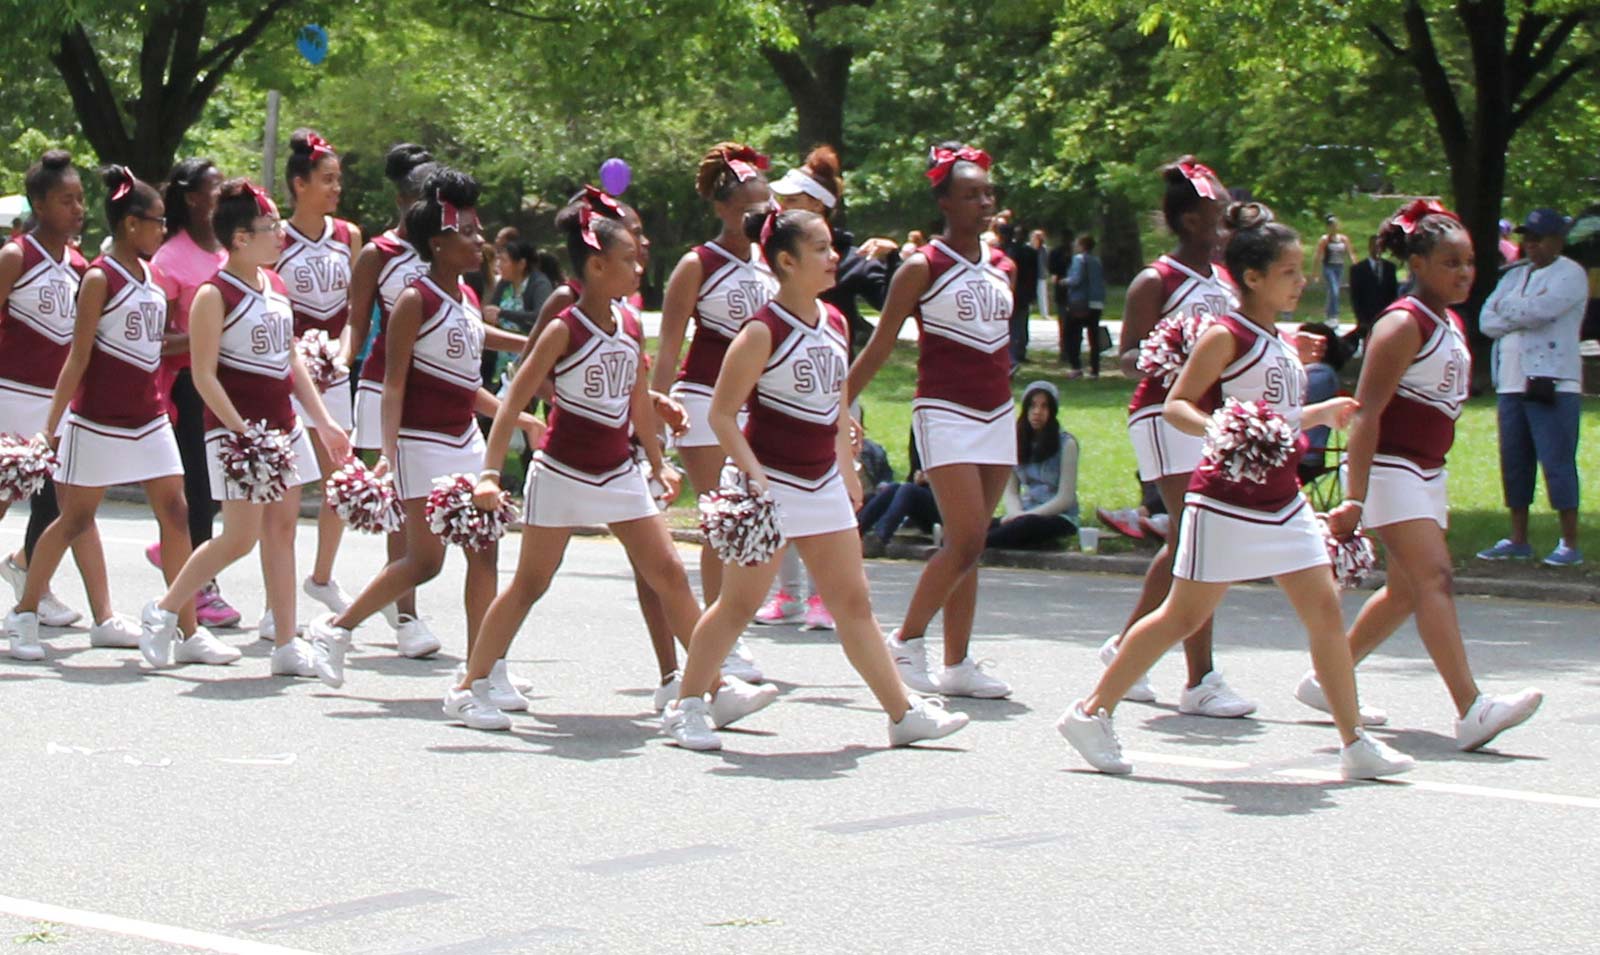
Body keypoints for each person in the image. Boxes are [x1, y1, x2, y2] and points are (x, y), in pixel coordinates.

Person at [1058, 201, 1415, 781]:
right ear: (1253, 278)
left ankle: (1355, 742)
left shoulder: (1276, 338)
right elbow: (1176, 403)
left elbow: (1273, 417)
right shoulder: (1226, 334)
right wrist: (1217, 426)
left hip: (1282, 500)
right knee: (1180, 615)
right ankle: (1090, 712)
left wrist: (1318, 411)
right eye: (1290, 273)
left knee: (1324, 611)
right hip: (1223, 500)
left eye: (1302, 272)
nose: (1302, 282)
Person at [661, 208, 970, 750]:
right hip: (768, 485)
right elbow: (723, 414)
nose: (835, 258)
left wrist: (848, 468)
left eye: (833, 248)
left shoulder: (835, 321)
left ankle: (902, 712)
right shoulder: (761, 330)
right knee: (737, 605)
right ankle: (688, 706)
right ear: (786, 261)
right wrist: (752, 479)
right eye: (823, 249)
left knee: (854, 603)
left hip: (821, 481)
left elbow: (835, 402)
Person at [438, 188, 726, 730]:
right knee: (530, 584)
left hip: (618, 470)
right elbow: (513, 403)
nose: (639, 265)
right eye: (626, 259)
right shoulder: (562, 328)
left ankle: (708, 688)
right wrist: (490, 473)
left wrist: (660, 461)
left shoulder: (631, 323)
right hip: (563, 471)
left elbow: (636, 397)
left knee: (669, 573)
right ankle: (467, 686)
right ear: (595, 266)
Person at [1310, 199, 1543, 750]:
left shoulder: (1449, 317)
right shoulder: (1402, 323)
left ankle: (1326, 677)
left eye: (1469, 263)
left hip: (1426, 470)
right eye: (1449, 262)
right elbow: (1364, 413)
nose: (1463, 273)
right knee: (1436, 577)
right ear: (1417, 264)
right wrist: (1355, 497)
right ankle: (1471, 708)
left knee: (1406, 591)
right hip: (1392, 469)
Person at [303, 168, 538, 692]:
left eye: (479, 232)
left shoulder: (468, 300)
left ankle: (485, 670)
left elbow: (462, 378)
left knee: (486, 550)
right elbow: (393, 386)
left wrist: (516, 401)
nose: (480, 241)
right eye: (469, 233)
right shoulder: (414, 299)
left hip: (465, 440)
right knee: (424, 562)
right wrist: (387, 455)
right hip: (419, 443)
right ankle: (336, 629)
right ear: (438, 242)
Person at [137, 179, 352, 676]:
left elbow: (290, 359)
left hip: (283, 427)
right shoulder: (216, 294)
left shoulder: (274, 285)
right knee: (239, 537)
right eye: (269, 227)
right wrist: (242, 432)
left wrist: (323, 423)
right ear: (238, 238)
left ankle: (285, 642)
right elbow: (204, 374)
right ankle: (166, 609)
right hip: (236, 434)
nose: (280, 236)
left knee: (282, 531)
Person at [5, 166, 219, 661]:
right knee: (73, 519)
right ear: (130, 225)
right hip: (97, 419)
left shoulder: (153, 275)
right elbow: (77, 357)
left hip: (148, 418)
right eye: (157, 221)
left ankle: (185, 630)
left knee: (178, 511)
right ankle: (25, 612)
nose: (163, 230)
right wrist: (51, 427)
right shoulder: (99, 277)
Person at [848, 142, 1015, 700]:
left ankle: (957, 662)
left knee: (972, 543)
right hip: (944, 410)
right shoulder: (923, 267)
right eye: (970, 195)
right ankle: (905, 641)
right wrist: (838, 405)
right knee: (965, 539)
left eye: (987, 193)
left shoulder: (1001, 265)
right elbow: (881, 344)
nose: (983, 203)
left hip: (998, 411)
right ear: (944, 201)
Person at [1102, 158, 1254, 718]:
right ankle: (1201, 678)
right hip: (1162, 415)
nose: (1224, 220)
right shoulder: (1155, 280)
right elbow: (1123, 357)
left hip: (1207, 416)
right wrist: (1167, 353)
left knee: (1189, 542)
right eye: (1216, 212)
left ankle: (1125, 649)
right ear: (1191, 221)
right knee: (1198, 538)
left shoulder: (1225, 280)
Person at [650, 142, 777, 678]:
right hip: (701, 402)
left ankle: (728, 627)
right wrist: (653, 424)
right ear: (723, 208)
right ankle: (717, 636)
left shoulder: (774, 263)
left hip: (756, 405)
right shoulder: (696, 264)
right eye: (753, 209)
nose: (764, 217)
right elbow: (670, 345)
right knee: (720, 518)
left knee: (753, 513)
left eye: (769, 208)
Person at [759, 144, 897, 630]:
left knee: (833, 487)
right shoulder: (777, 250)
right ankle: (789, 594)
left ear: (817, 206)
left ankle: (823, 597)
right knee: (783, 487)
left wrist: (895, 258)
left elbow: (890, 298)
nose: (781, 205)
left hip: (830, 387)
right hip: (780, 385)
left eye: (792, 198)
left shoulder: (846, 258)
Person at [0, 151, 106, 655]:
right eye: (66, 200)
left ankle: (34, 585)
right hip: (10, 398)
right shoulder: (15, 256)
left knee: (66, 503)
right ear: (39, 204)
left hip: (57, 404)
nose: (78, 208)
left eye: (81, 199)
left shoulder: (83, 266)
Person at [343, 143, 437, 656]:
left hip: (439, 388)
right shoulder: (378, 253)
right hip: (385, 383)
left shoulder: (447, 251)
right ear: (403, 199)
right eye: (426, 197)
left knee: (430, 501)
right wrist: (332, 362)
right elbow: (355, 325)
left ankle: (395, 595)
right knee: (402, 502)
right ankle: (406, 617)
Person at [145, 157, 240, 630]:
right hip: (188, 386)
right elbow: (156, 340)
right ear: (190, 197)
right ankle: (199, 589)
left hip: (230, 383)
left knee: (225, 487)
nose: (221, 191)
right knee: (201, 491)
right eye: (213, 186)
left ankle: (174, 548)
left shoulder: (229, 253)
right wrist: (207, 337)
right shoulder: (169, 260)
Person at [277, 129, 365, 626]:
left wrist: (345, 354)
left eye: (338, 180)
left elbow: (356, 307)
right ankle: (277, 601)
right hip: (288, 375)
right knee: (289, 486)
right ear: (300, 184)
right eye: (327, 180)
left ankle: (322, 577)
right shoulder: (277, 237)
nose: (336, 188)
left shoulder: (346, 235)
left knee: (341, 479)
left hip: (334, 371)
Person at [1476, 208, 1587, 567]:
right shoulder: (1513, 276)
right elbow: (1486, 320)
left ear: (1558, 240)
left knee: (1556, 460)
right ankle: (1518, 537)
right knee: (1515, 462)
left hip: (1551, 379)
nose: (1531, 245)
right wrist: (1518, 310)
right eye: (1527, 238)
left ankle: (1569, 542)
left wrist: (1513, 311)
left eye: (1539, 238)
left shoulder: (1570, 275)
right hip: (1511, 380)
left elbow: (1543, 311)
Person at [986, 381, 1079, 549]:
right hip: (1024, 512)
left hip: (1058, 516)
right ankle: (951, 538)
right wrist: (1015, 514)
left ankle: (974, 546)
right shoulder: (1016, 441)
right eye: (1033, 406)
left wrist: (1023, 517)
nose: (1037, 412)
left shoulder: (1067, 444)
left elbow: (1064, 499)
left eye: (1044, 407)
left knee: (1024, 526)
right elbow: (1011, 492)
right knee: (983, 523)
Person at [1062, 235, 1105, 378]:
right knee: (1093, 335)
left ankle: (1076, 366)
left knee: (1072, 334)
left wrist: (1064, 282)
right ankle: (1095, 369)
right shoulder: (1097, 261)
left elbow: (1076, 279)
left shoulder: (1079, 259)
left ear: (1081, 245)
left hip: (1080, 301)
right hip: (1096, 302)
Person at [1346, 235, 1398, 352]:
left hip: (1385, 316)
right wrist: (1361, 318)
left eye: (1380, 247)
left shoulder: (1390, 268)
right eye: (1375, 246)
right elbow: (1355, 297)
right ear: (1369, 248)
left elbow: (1393, 294)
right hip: (1367, 318)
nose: (1377, 249)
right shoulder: (1358, 269)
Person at [1004, 222, 1039, 370]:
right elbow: (1034, 275)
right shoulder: (1030, 252)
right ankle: (1019, 352)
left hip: (1014, 291)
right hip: (1024, 293)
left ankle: (1013, 355)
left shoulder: (1011, 251)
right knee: (1021, 324)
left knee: (1012, 326)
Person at [1313, 214, 1353, 322]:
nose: (1334, 227)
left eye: (1336, 225)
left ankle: (1329, 314)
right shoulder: (1325, 240)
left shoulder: (1343, 239)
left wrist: (1355, 266)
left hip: (1339, 267)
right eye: (1332, 226)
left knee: (1333, 291)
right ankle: (1334, 315)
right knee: (1334, 290)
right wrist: (1316, 273)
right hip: (1329, 268)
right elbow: (1318, 256)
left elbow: (1350, 253)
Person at [1031, 229, 1052, 322]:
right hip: (1030, 275)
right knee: (1029, 296)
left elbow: (1047, 262)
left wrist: (1048, 271)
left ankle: (1044, 314)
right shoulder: (1029, 248)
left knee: (1042, 295)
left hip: (1041, 275)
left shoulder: (1044, 249)